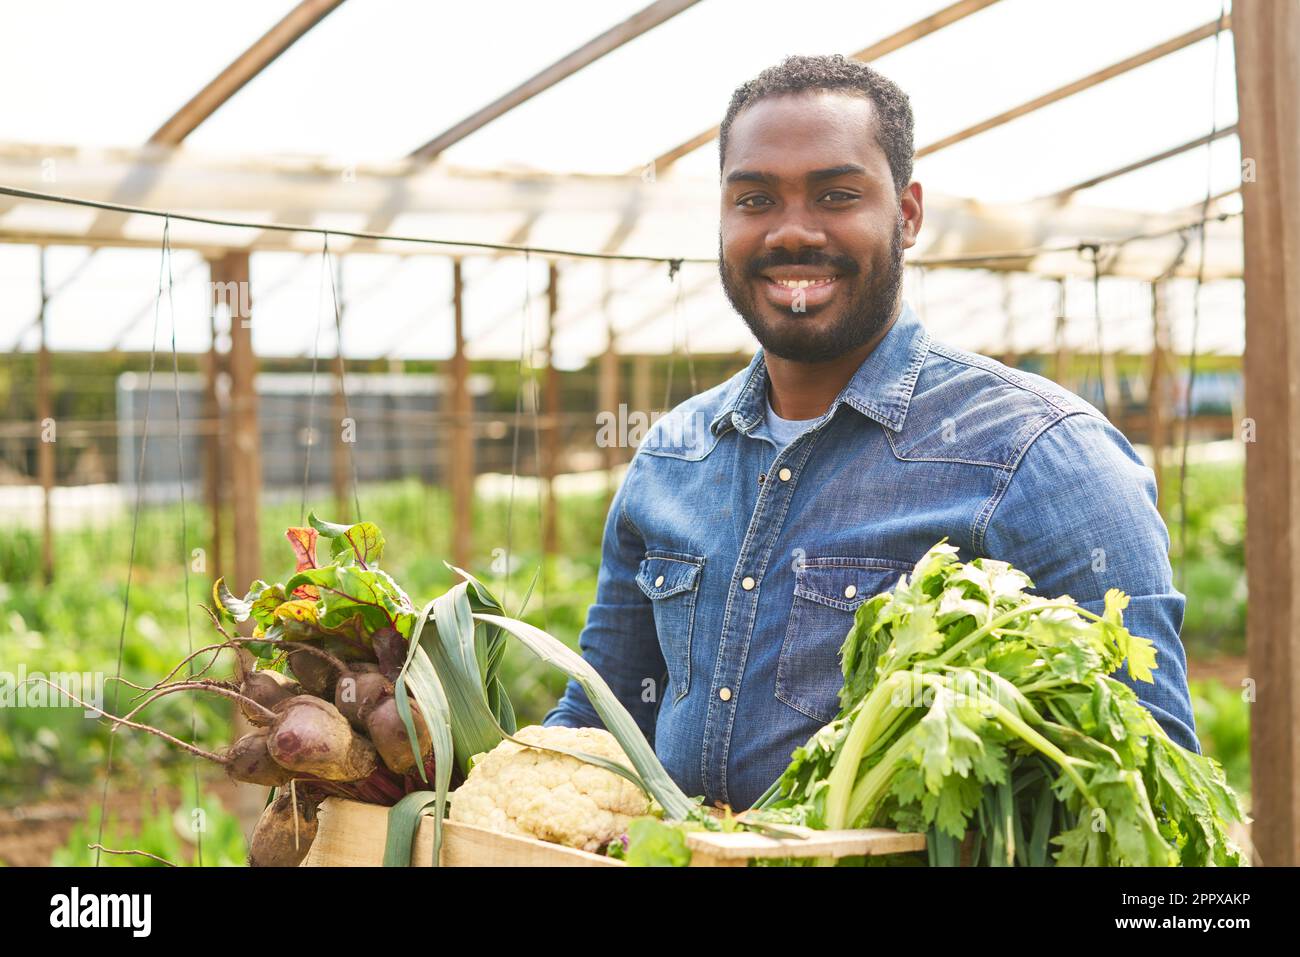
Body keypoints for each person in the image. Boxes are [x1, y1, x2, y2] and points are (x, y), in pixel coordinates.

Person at [544, 54, 1196, 811]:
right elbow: (599, 718)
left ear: (907, 214)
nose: (792, 232)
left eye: (837, 194)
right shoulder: (672, 457)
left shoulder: (1040, 455)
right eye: (755, 199)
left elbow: (1147, 789)